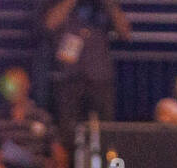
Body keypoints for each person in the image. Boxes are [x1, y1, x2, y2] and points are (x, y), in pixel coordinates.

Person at [38, 0, 131, 139]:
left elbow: (125, 33)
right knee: (67, 134)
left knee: (104, 133)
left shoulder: (104, 6)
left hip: (100, 79)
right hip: (68, 79)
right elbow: (49, 25)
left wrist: (110, 4)